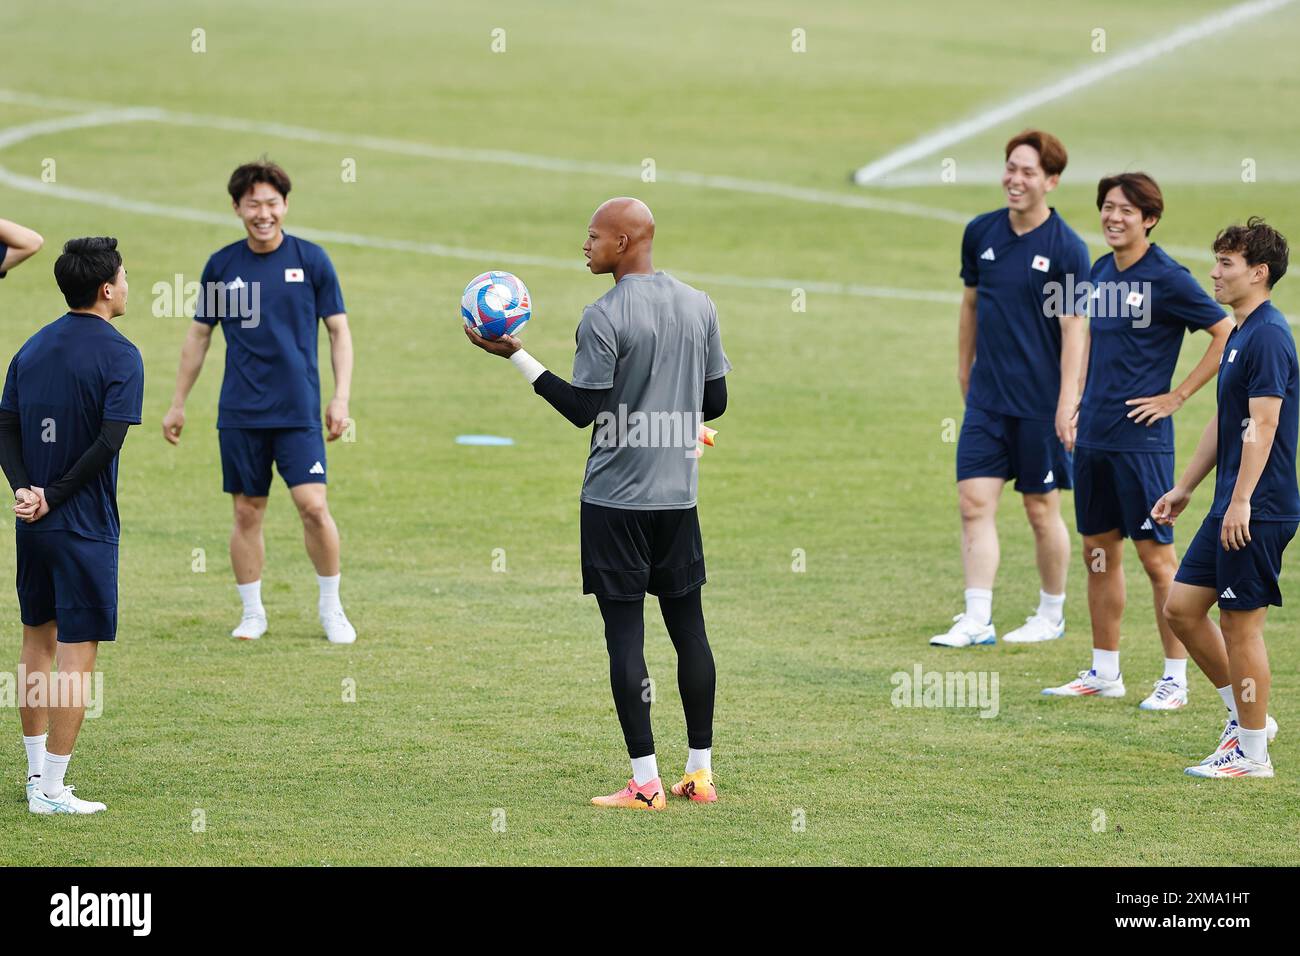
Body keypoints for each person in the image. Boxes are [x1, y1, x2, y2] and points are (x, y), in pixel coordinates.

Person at [465, 198, 730, 809]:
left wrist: (516, 357)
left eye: (593, 237)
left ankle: (645, 784)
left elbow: (584, 409)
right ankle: (700, 775)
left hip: (614, 502)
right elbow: (712, 404)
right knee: (690, 630)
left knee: (626, 638)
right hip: (678, 500)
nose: (585, 247)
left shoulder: (603, 315)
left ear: (625, 241)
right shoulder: (699, 304)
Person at [1042, 174, 1231, 707]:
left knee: (1156, 561)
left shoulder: (1169, 278)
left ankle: (1175, 677)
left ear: (1149, 218)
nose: (1113, 217)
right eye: (1106, 207)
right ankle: (1105, 670)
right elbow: (1090, 346)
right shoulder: (1099, 272)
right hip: (1095, 439)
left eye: (1126, 209)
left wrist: (1177, 396)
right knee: (1098, 554)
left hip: (1143, 445)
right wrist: (1075, 399)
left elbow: (1224, 332)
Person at [161, 159, 357, 643]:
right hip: (241, 413)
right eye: (253, 204)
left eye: (272, 203)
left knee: (313, 506)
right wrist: (178, 402)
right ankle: (253, 613)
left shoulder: (312, 261)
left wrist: (340, 398)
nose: (263, 213)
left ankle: (331, 608)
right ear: (237, 208)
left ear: (285, 206)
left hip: (298, 413)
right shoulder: (223, 266)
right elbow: (199, 337)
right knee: (247, 512)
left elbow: (339, 333)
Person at [0, 237, 144, 813]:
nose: (129, 284)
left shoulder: (31, 348)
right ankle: (54, 789)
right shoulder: (121, 355)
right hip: (83, 527)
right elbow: (108, 443)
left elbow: (4, 428)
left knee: (37, 642)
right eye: (126, 275)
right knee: (77, 655)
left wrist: (25, 491)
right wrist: (54, 496)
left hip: (32, 524)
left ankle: (36, 777)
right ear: (107, 288)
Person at [931, 129, 1091, 648]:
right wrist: (963, 368)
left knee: (1040, 509)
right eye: (1010, 168)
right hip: (987, 399)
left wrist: (1068, 400)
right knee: (973, 502)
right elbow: (971, 304)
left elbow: (1074, 330)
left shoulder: (1067, 248)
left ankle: (1051, 613)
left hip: (1040, 404)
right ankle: (977, 618)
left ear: (1051, 181)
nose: (1015, 179)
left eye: (1028, 172)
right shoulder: (981, 232)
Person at [1152, 217, 1293, 778]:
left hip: (1257, 506)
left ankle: (1252, 754)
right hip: (1230, 501)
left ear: (1258, 273)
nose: (1214, 271)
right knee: (1182, 609)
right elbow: (1226, 419)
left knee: (1240, 626)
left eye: (1227, 263)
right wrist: (1187, 486)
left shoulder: (1270, 335)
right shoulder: (1240, 331)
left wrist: (1241, 502)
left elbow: (1263, 424)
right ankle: (1247, 717)